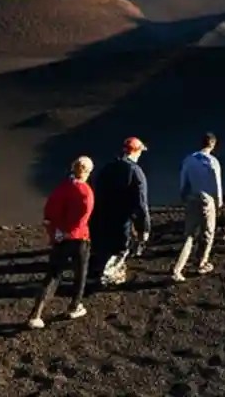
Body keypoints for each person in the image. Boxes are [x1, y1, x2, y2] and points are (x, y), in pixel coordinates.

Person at [26, 156, 95, 329]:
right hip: (79, 238)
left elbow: (49, 212)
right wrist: (70, 230)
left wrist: (56, 232)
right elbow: (84, 216)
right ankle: (74, 305)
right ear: (86, 172)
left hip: (60, 237)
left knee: (54, 275)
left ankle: (36, 313)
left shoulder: (62, 188)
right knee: (80, 273)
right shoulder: (85, 191)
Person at [87, 137, 151, 288]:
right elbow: (141, 203)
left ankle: (100, 270)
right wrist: (144, 227)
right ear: (136, 152)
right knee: (120, 249)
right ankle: (108, 277)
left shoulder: (108, 167)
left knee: (105, 247)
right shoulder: (135, 171)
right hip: (122, 220)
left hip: (102, 217)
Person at [171, 133, 224, 282]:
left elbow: (183, 179)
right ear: (213, 144)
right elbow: (216, 184)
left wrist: (183, 196)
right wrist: (219, 202)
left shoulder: (189, 160)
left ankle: (178, 268)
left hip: (192, 198)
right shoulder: (212, 162)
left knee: (189, 235)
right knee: (208, 232)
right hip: (207, 199)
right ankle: (201, 262)